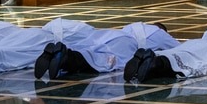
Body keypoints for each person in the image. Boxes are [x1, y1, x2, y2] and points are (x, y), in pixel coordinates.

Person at [35, 21, 179, 80]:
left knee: (87, 49)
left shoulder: (133, 26)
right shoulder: (160, 34)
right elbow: (179, 48)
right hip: (124, 44)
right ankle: (65, 58)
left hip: (106, 34)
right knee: (101, 61)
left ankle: (59, 54)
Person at [124, 23, 207, 83]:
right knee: (189, 62)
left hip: (195, 42)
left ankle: (148, 61)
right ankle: (154, 64)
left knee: (177, 52)